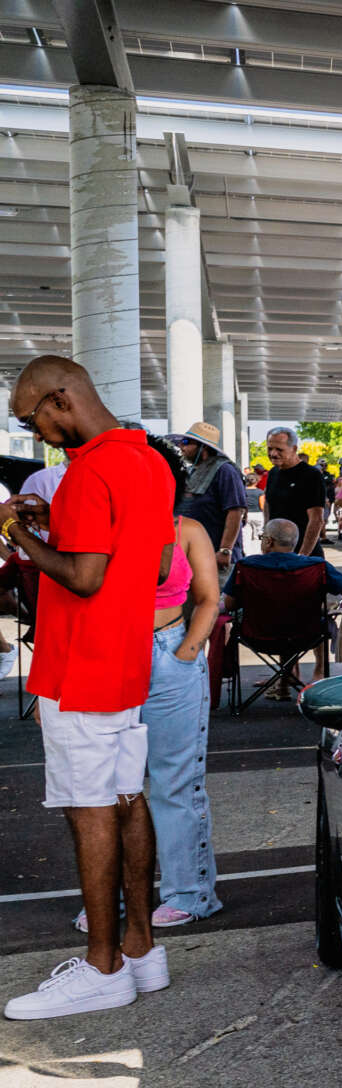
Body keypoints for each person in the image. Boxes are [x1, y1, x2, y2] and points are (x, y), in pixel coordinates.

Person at [1, 356, 175, 1018]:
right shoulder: (149, 462)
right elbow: (157, 564)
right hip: (127, 660)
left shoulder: (90, 470)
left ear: (61, 401)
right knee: (128, 799)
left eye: (32, 418)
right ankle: (140, 950)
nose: (37, 433)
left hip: (79, 667)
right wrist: (56, 526)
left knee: (91, 809)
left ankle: (102, 965)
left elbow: (83, 577)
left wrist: (14, 530)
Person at [136, 435, 223, 928]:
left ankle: (189, 893)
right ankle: (119, 897)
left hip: (169, 655)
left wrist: (188, 651)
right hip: (112, 658)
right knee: (113, 788)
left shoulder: (187, 528)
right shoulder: (103, 524)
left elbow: (210, 598)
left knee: (175, 783)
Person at [173, 422, 252, 570]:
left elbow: (235, 511)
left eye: (185, 442)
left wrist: (225, 550)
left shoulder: (225, 470)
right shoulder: (191, 471)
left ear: (203, 447)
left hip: (216, 555)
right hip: (192, 555)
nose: (181, 447)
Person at [260, 429, 328, 565]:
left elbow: (316, 520)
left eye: (279, 449)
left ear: (294, 448)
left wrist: (302, 557)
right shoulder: (273, 473)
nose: (273, 454)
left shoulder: (311, 475)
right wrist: (266, 535)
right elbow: (268, 502)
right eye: (270, 448)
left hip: (304, 556)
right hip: (275, 556)